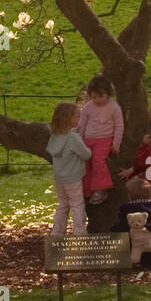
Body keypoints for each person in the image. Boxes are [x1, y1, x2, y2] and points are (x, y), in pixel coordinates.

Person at [46, 102, 91, 235]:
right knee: (77, 205)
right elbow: (86, 155)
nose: (79, 119)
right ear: (69, 119)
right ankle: (79, 233)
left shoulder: (55, 136)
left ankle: (57, 232)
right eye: (77, 117)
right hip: (73, 177)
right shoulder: (73, 138)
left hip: (59, 178)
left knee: (63, 205)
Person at [78, 75, 123, 205]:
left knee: (98, 160)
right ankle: (86, 190)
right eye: (94, 97)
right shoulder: (88, 107)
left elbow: (119, 126)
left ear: (108, 93)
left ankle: (100, 189)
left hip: (104, 139)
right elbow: (82, 123)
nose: (97, 100)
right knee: (84, 161)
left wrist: (116, 143)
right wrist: (80, 139)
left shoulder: (114, 108)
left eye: (100, 96)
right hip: (88, 138)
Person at [110, 175, 151, 267]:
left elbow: (123, 225)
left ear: (129, 195)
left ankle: (135, 260)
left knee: (120, 230)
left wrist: (114, 228)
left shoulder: (126, 209)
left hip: (135, 242)